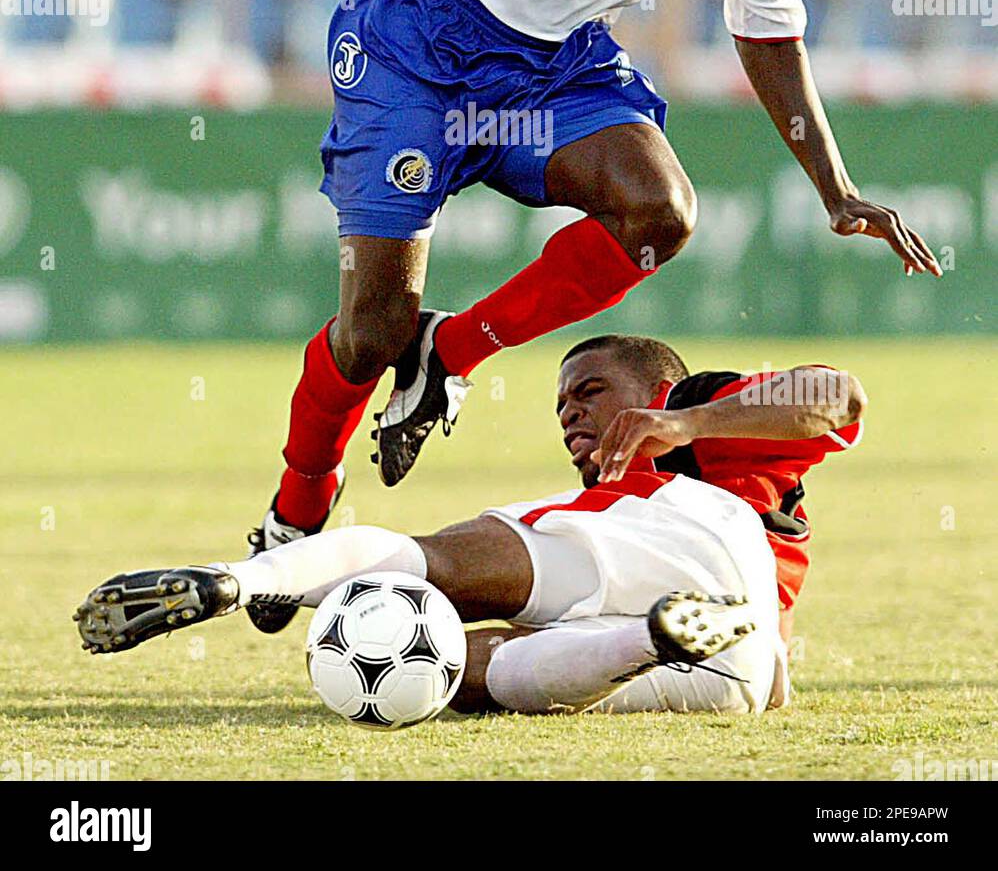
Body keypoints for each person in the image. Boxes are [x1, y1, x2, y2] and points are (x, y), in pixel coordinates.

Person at [248, 0, 932, 636]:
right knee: (368, 333)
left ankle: (455, 350)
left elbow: (766, 25)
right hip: (418, 41)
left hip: (556, 63)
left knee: (660, 213)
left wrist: (834, 187)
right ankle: (296, 507)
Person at [77, 336, 865, 715]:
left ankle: (237, 580)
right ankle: (655, 639)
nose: (571, 415)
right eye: (562, 408)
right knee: (461, 669)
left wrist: (687, 420)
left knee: (438, 561)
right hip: (731, 677)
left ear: (657, 384)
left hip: (693, 538)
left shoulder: (704, 419)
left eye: (589, 390)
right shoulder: (605, 496)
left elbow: (840, 395)